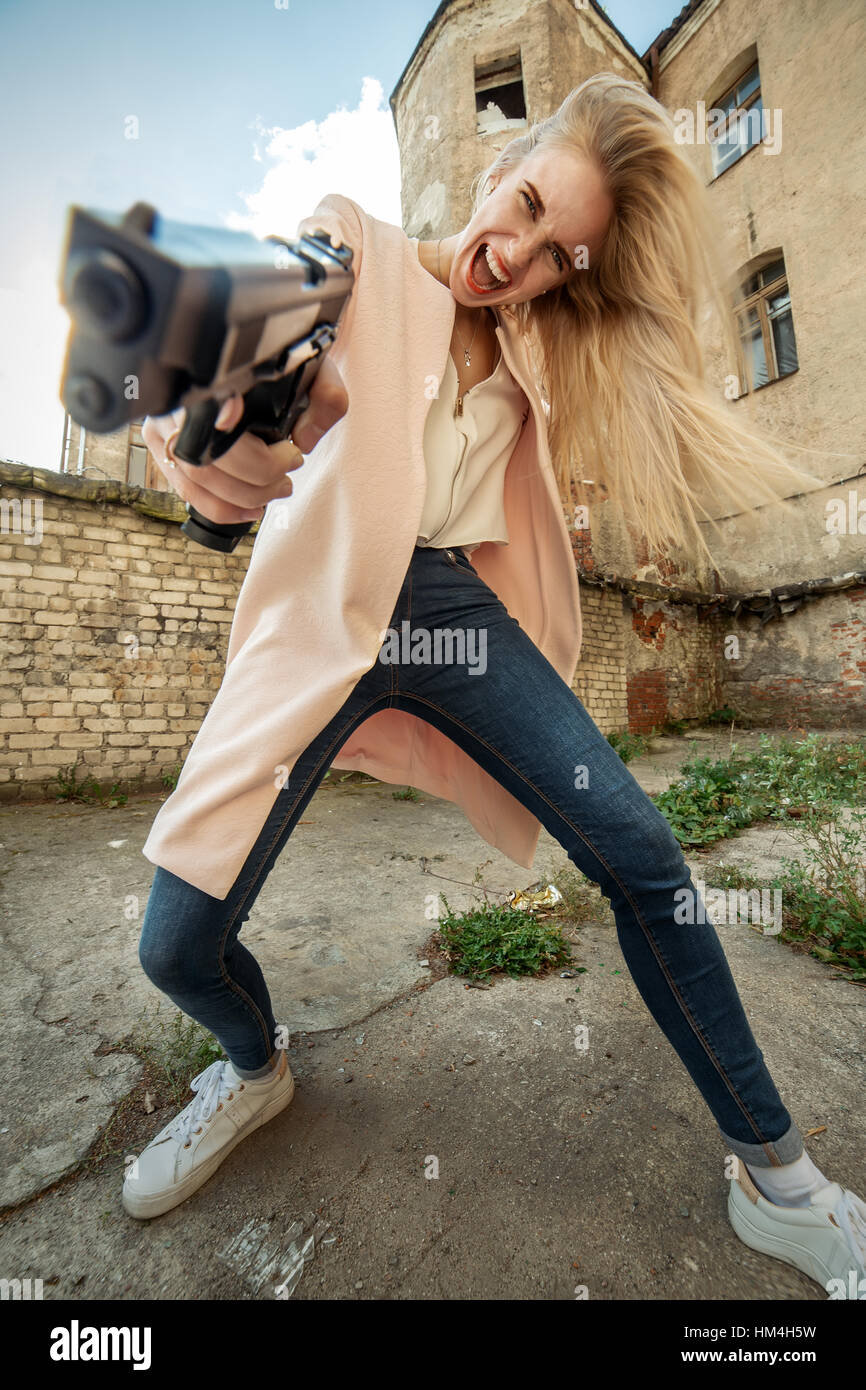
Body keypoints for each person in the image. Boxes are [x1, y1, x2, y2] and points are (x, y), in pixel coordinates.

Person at [128, 74, 865, 1296]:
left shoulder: (540, 350)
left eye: (556, 252)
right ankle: (254, 1067)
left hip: (452, 617)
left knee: (643, 855)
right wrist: (200, 416)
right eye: (521, 205)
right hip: (316, 615)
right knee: (176, 948)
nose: (514, 254)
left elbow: (630, 346)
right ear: (492, 170)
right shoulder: (351, 248)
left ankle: (779, 1184)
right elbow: (231, 350)